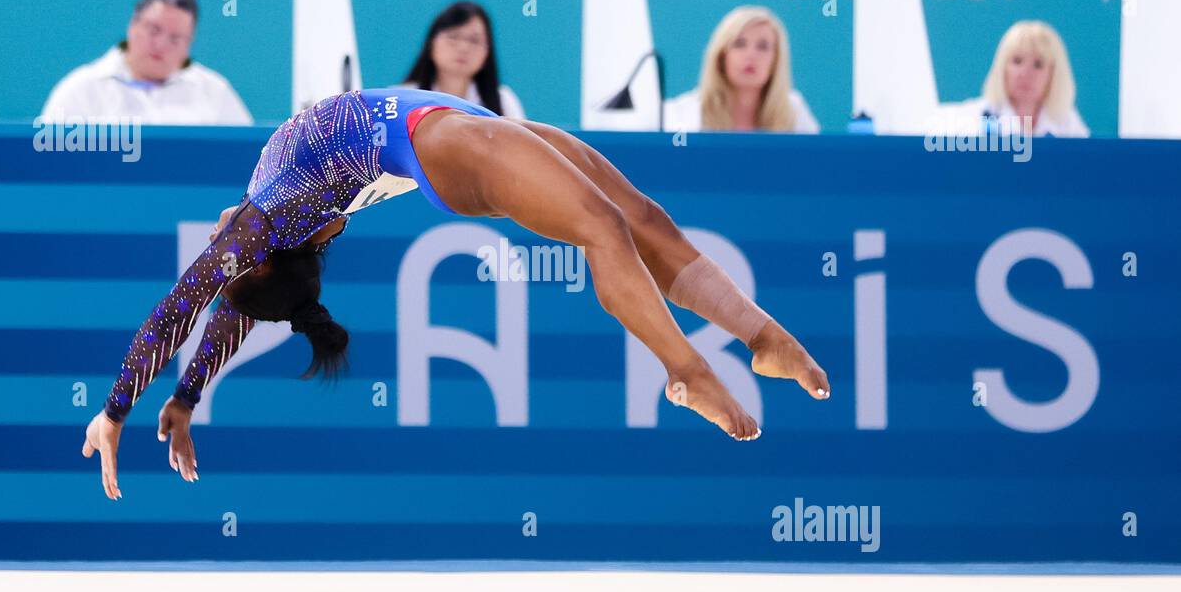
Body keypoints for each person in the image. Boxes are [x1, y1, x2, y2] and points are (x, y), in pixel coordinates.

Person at [81, 88, 831, 497]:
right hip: (442, 145)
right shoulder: (264, 220)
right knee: (604, 228)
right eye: (230, 256)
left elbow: (227, 312)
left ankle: (761, 335)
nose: (217, 247)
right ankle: (685, 369)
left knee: (641, 218)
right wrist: (115, 411)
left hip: (463, 125)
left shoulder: (270, 241)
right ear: (295, 248)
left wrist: (182, 401)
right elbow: (182, 308)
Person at [40, 0, 252, 125]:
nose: (160, 44)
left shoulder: (215, 94)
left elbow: (256, 173)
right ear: (133, 25)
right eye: (153, 30)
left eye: (175, 38)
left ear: (188, 45)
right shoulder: (81, 91)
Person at [664, 7, 819, 134]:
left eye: (763, 46)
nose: (751, 55)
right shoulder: (684, 114)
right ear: (721, 56)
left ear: (776, 60)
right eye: (739, 44)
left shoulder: (793, 111)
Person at [937, 21, 1089, 138]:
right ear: (1002, 67)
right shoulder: (972, 118)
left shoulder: (1067, 122)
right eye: (1017, 61)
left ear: (1054, 74)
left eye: (1038, 64)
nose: (1025, 73)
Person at [397, 1, 525, 118]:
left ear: (487, 52)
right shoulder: (402, 99)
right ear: (431, 43)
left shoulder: (504, 101)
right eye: (453, 36)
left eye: (474, 40)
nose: (463, 47)